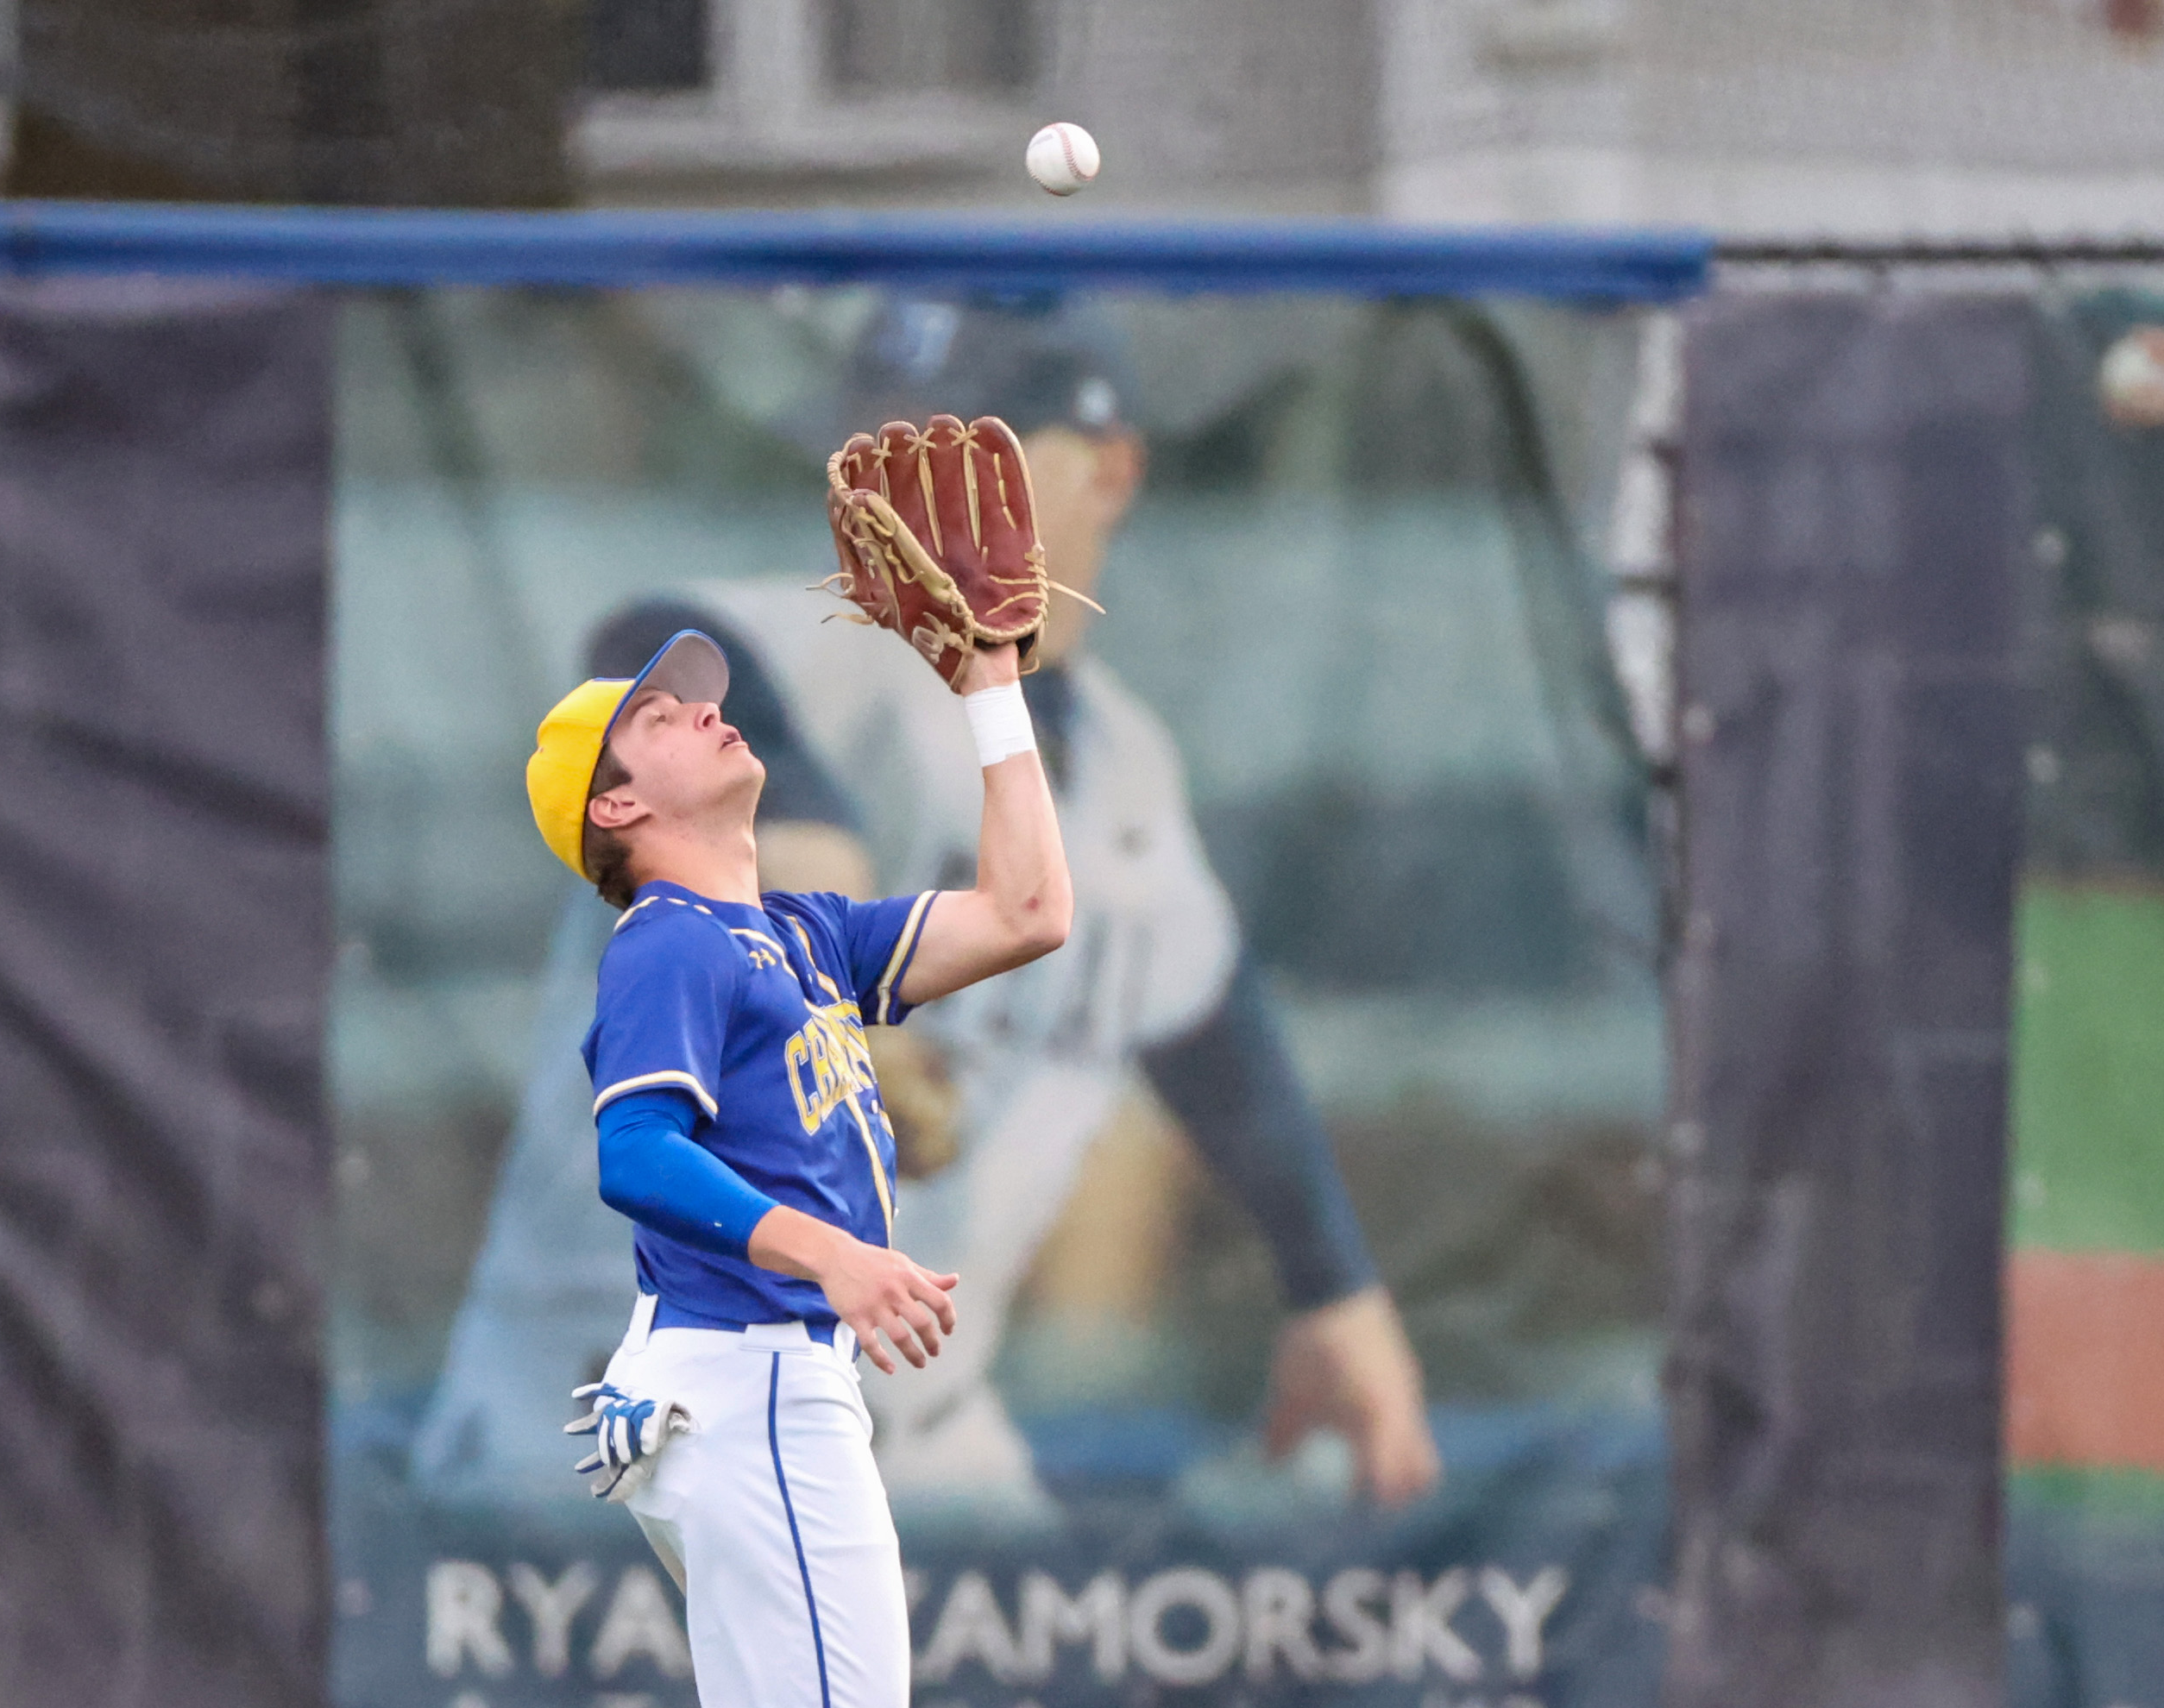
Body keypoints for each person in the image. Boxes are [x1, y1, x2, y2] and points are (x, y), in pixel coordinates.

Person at [415, 302, 1437, 1517]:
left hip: (922, 1436)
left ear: (1110, 473)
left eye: (956, 458)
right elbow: (671, 672)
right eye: (875, 452)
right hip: (610, 1430)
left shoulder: (1125, 767)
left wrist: (1336, 1290)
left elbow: (1208, 1020)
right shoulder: (796, 648)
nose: (900, 501)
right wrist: (825, 986)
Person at [465, 506, 1073, 1708]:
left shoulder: (790, 938)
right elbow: (638, 1155)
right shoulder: (666, 937)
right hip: (746, 1376)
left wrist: (991, 686)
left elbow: (1029, 910)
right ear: (618, 810)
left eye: (695, 691)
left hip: (712, 1384)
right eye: (659, 714)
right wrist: (840, 1254)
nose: (704, 707)